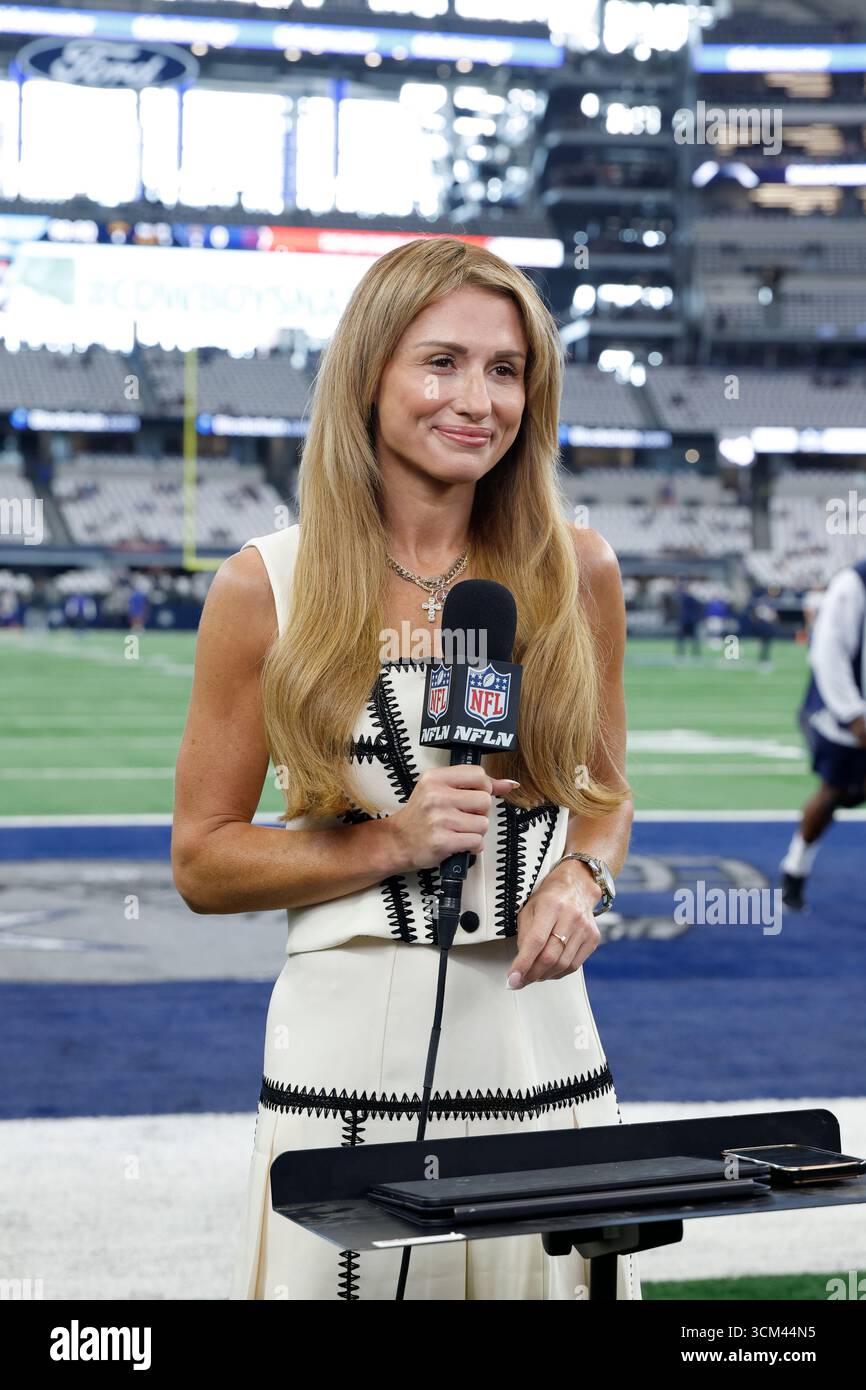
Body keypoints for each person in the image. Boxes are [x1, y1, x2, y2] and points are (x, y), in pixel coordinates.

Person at [172, 236, 641, 1301]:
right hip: (341, 1052)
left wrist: (584, 875)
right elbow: (202, 861)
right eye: (440, 362)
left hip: (540, 1042)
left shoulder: (579, 569)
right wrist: (390, 839)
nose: (476, 398)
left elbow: (604, 796)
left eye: (504, 369)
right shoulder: (264, 587)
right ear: (369, 375)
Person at [780, 558, 866, 910]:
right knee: (835, 792)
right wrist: (852, 715)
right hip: (842, 712)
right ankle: (795, 866)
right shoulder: (853, 584)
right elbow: (827, 651)